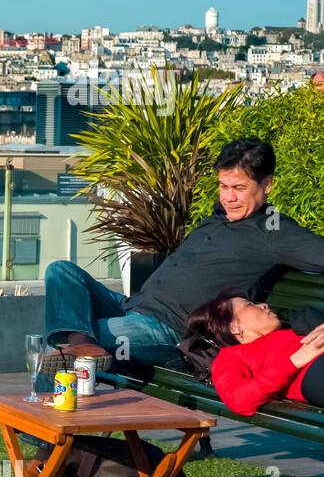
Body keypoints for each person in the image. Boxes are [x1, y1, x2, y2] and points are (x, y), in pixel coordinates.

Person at [41, 137, 324, 371]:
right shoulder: (218, 217)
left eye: (239, 188)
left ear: (267, 185)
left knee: (61, 349)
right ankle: (82, 342)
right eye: (224, 187)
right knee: (61, 271)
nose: (228, 197)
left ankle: (47, 429)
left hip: (170, 330)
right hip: (131, 306)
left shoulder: (274, 230)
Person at [184, 292, 324, 416]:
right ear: (234, 327)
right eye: (249, 305)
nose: (263, 305)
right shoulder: (230, 355)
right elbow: (239, 400)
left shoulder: (295, 323)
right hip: (314, 373)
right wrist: (294, 361)